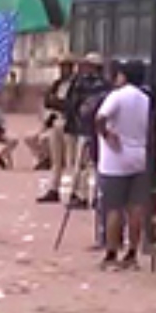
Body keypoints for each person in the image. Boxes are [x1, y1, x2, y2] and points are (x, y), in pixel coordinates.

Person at [95, 61, 151, 271]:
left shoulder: (117, 96)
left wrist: (107, 134)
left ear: (124, 76)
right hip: (139, 155)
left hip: (115, 158)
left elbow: (100, 118)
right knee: (135, 207)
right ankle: (132, 253)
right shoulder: (146, 100)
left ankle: (111, 253)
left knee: (113, 208)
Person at [64, 52, 110, 209]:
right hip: (92, 127)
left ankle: (81, 195)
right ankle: (95, 196)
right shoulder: (105, 85)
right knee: (93, 164)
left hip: (86, 127)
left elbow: (72, 104)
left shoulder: (82, 83)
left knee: (83, 164)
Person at [34, 56, 77, 189]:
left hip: (69, 123)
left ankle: (73, 189)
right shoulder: (57, 83)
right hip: (56, 121)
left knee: (71, 159)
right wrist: (56, 103)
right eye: (61, 67)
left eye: (66, 67)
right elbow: (47, 101)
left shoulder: (77, 84)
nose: (63, 70)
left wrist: (56, 102)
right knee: (56, 159)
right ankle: (54, 187)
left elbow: (71, 105)